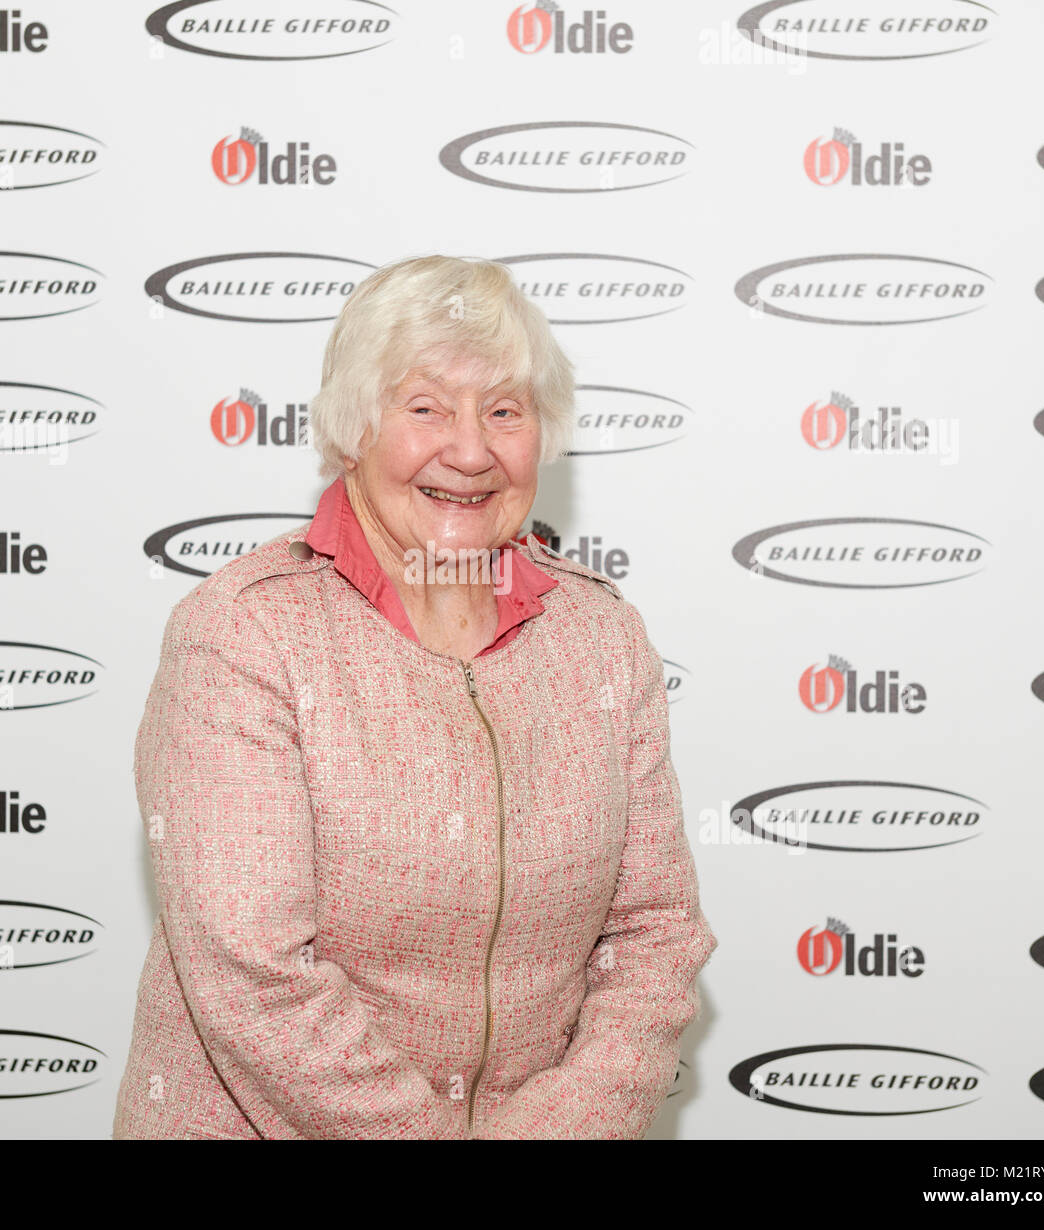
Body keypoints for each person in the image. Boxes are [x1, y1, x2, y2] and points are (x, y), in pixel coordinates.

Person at [112, 254, 716, 1139]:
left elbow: (657, 933)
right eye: (425, 407)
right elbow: (255, 970)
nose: (470, 451)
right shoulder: (245, 634)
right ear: (354, 426)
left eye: (504, 411)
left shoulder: (602, 634)